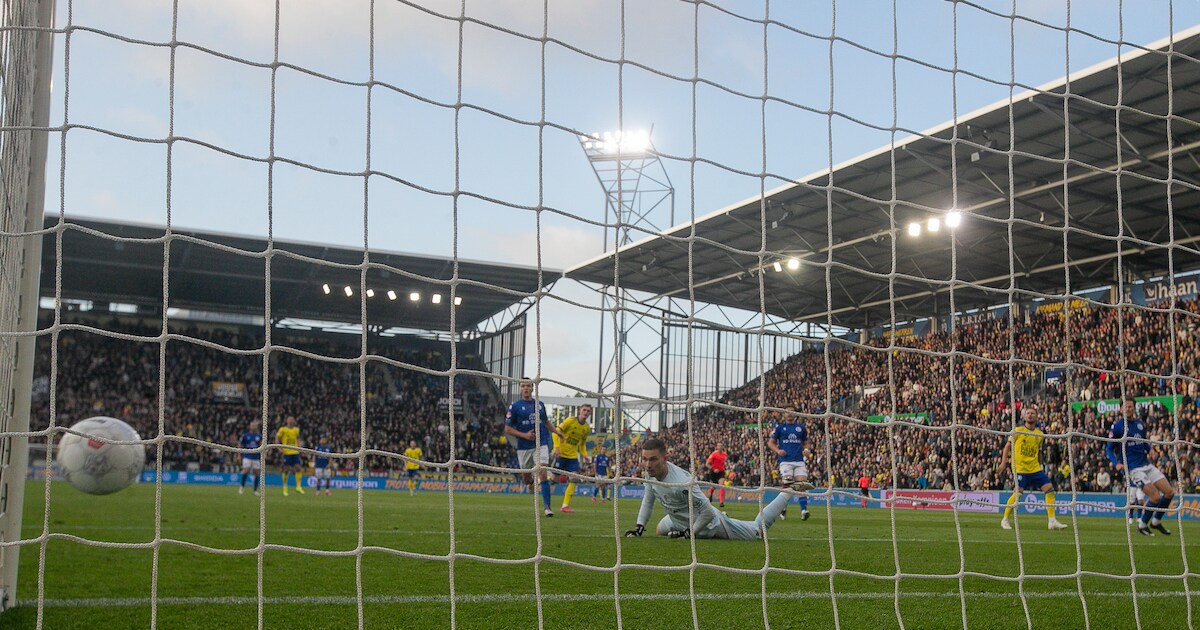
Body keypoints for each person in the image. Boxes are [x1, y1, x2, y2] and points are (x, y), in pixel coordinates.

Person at [623, 438, 812, 540]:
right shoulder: (649, 473)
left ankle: (787, 491)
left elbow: (707, 513)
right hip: (679, 520)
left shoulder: (682, 481)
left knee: (757, 532)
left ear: (665, 458)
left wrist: (691, 532)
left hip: (709, 524)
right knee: (658, 530)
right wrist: (639, 527)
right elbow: (648, 498)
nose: (647, 464)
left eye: (653, 459)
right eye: (645, 459)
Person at [1106, 398, 1174, 536]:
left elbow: (1143, 444)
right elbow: (1108, 449)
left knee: (1169, 492)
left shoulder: (1139, 424)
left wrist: (1151, 450)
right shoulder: (1117, 426)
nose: (1128, 409)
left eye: (1130, 406)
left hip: (1146, 464)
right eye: (1126, 407)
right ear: (1120, 409)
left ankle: (1155, 522)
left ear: (1134, 408)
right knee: (1155, 497)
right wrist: (1116, 463)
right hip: (1133, 468)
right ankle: (1142, 525)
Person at [998, 407, 1068, 531]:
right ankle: (1005, 519)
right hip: (1020, 468)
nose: (1030, 415)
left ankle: (1052, 521)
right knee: (1018, 493)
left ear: (1036, 417)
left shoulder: (1040, 434)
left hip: (1035, 469)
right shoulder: (1018, 431)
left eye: (1032, 413)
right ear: (1024, 417)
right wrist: (1004, 463)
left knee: (1050, 490)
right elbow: (1007, 447)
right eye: (1028, 413)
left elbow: (1039, 452)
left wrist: (1041, 465)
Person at [503, 379, 564, 517]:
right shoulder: (515, 407)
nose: (526, 388)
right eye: (523, 386)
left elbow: (546, 422)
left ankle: (547, 507)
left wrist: (556, 432)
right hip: (524, 447)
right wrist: (524, 435)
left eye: (528, 386)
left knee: (542, 472)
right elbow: (507, 428)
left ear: (532, 388)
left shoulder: (540, 405)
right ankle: (530, 483)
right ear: (520, 389)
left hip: (540, 443)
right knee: (526, 478)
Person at [768, 406, 810, 520]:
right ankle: (783, 507)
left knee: (802, 483)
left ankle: (804, 510)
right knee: (788, 484)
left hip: (799, 460)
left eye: (791, 412)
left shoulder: (801, 428)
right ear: (784, 414)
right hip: (785, 461)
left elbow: (806, 443)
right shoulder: (780, 428)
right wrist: (778, 450)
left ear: (795, 414)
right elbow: (770, 443)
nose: (789, 414)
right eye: (787, 412)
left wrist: (807, 450)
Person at [553, 403, 592, 513]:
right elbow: (556, 432)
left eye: (588, 411)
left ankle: (565, 506)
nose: (586, 412)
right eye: (584, 410)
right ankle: (537, 487)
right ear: (580, 411)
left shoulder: (586, 428)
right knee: (554, 480)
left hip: (572, 457)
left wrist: (585, 455)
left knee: (574, 478)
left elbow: (582, 444)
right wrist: (556, 447)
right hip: (560, 454)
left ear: (590, 414)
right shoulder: (570, 421)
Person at [277, 415, 304, 496]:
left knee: (298, 468)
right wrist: (279, 448)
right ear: (287, 421)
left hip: (295, 452)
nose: (291, 421)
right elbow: (277, 438)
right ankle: (285, 487)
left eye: (292, 419)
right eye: (289, 419)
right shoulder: (283, 429)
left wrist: (299, 447)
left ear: (294, 421)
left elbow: (298, 438)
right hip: (286, 452)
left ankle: (298, 486)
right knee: (286, 469)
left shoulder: (296, 430)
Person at [238, 420, 262, 496]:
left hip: (256, 457)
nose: (253, 427)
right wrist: (239, 455)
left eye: (255, 426)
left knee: (256, 473)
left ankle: (255, 490)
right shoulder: (245, 435)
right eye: (252, 425)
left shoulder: (259, 436)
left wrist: (264, 455)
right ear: (250, 426)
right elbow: (240, 445)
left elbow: (262, 446)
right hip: (247, 456)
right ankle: (242, 487)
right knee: (246, 471)